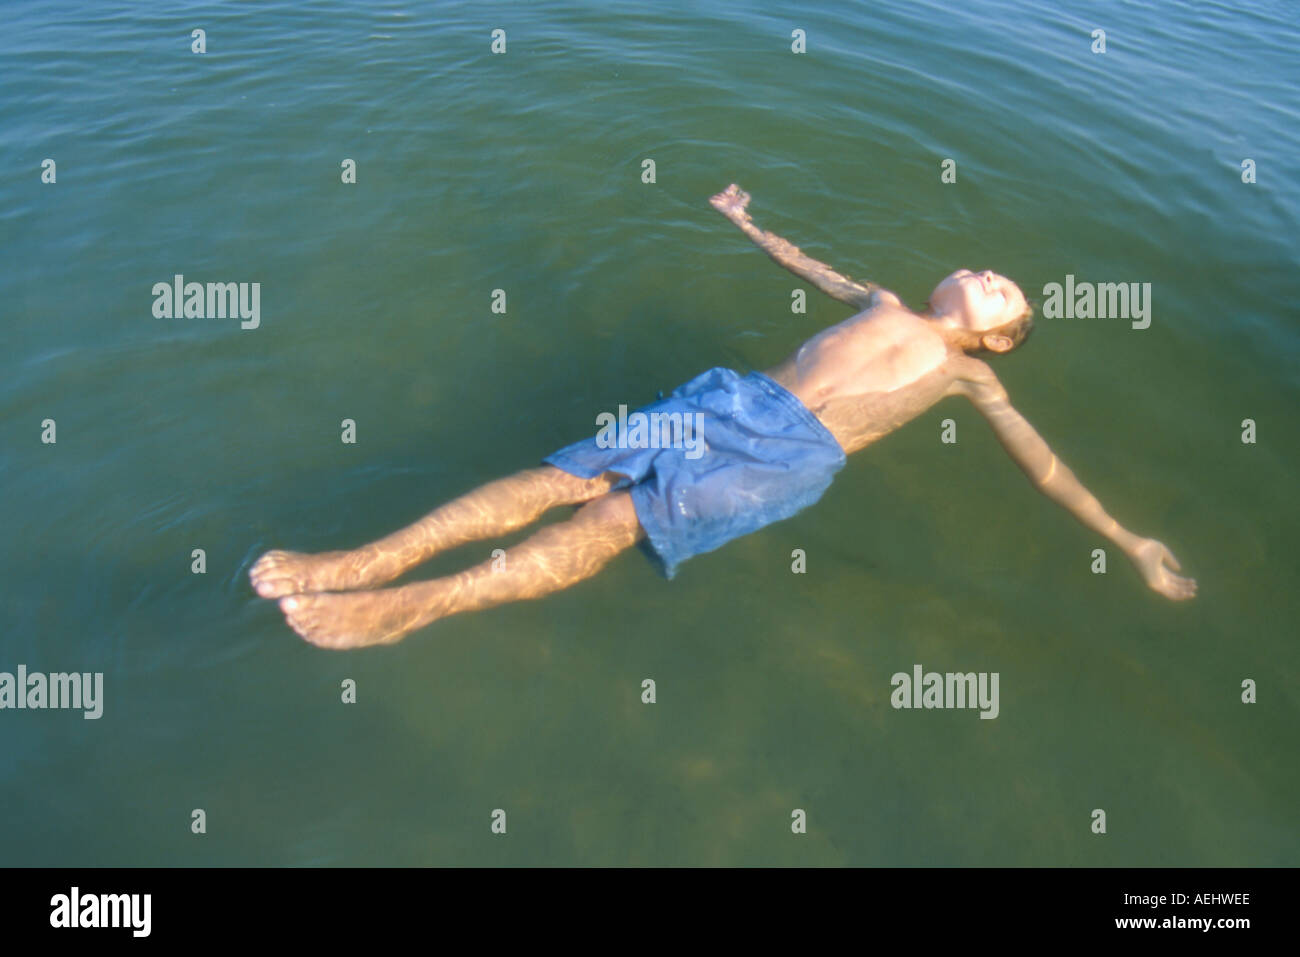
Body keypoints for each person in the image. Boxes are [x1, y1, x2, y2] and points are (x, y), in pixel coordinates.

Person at [250, 183, 1195, 649]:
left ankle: (414, 605)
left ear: (993, 340)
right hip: (734, 400)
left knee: (611, 520)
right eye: (990, 270)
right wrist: (745, 221)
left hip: (790, 451)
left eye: (1003, 296)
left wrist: (1128, 537)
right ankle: (364, 559)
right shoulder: (880, 298)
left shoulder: (971, 381)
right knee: (563, 476)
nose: (989, 279)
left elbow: (1042, 465)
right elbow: (804, 266)